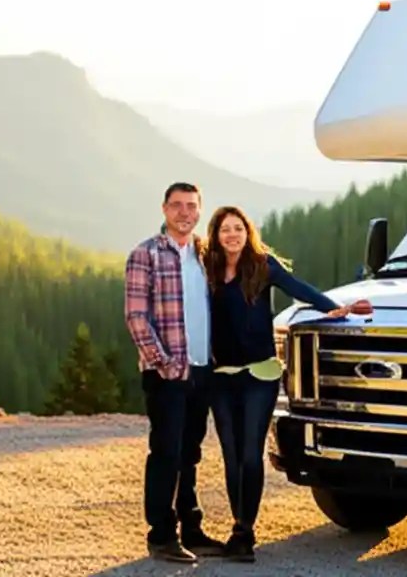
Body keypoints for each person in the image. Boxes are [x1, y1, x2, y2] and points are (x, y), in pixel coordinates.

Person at [202, 205, 371, 562]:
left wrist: (334, 307)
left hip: (260, 374)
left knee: (250, 453)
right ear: (216, 236)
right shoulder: (209, 271)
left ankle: (245, 533)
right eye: (225, 230)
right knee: (231, 457)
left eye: (238, 228)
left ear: (248, 232)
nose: (232, 235)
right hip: (222, 378)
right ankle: (238, 526)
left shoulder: (263, 266)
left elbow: (300, 288)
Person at [125, 182, 226, 563]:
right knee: (166, 453)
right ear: (164, 209)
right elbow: (136, 316)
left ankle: (193, 530)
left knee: (190, 454)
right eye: (177, 205)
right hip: (167, 374)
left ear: (199, 212)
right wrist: (164, 363)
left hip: (202, 371)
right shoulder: (145, 254)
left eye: (191, 206)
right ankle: (161, 535)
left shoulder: (204, 256)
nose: (184, 212)